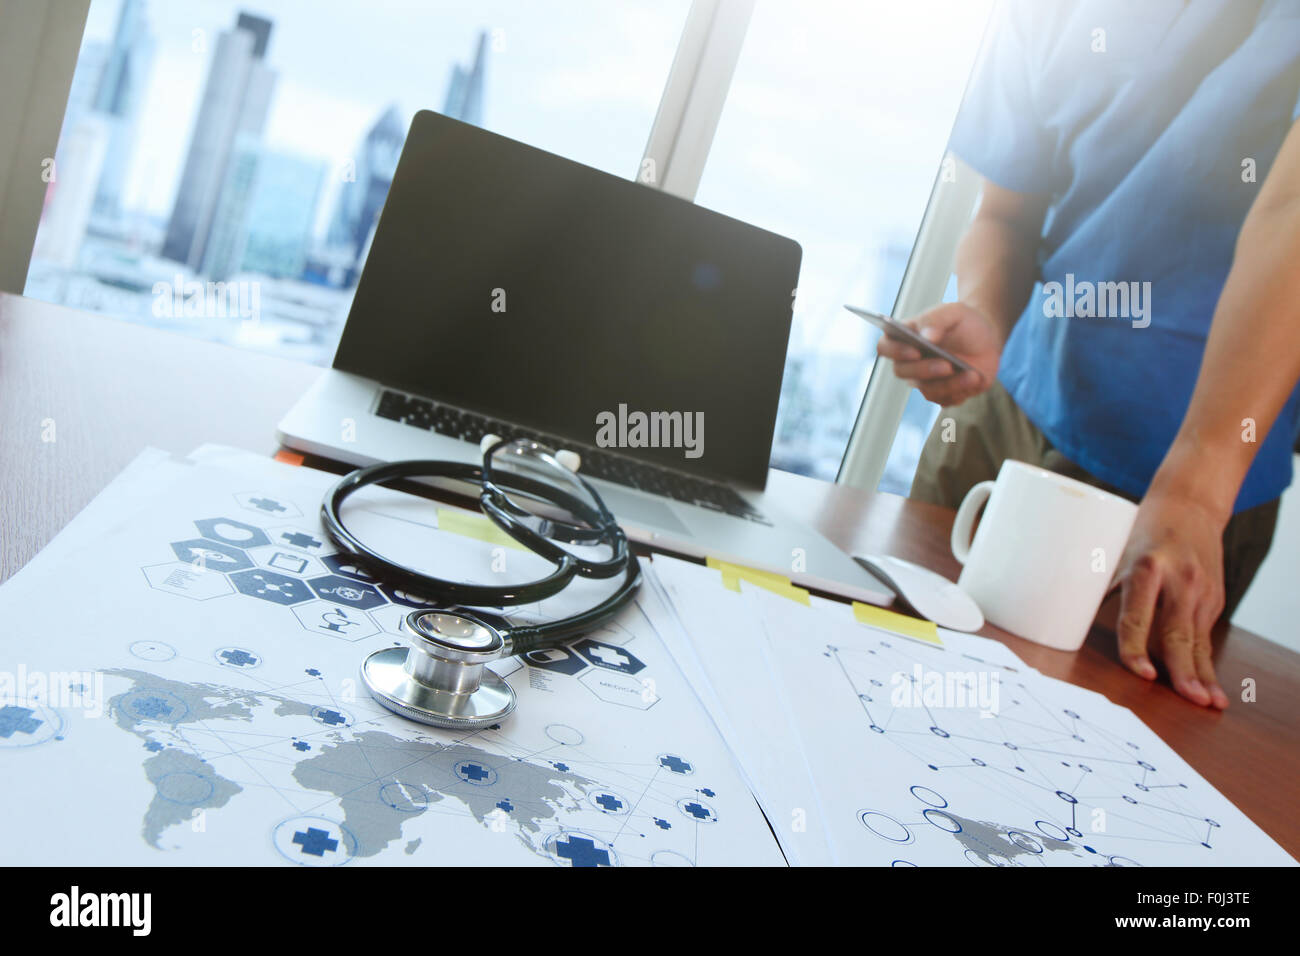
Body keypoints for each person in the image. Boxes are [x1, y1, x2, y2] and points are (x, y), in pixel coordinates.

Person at [879, 0, 1300, 709]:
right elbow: (1005, 213)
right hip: (1005, 412)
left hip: (1189, 480)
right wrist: (987, 314)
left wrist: (1196, 492)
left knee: (1076, 742)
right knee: (887, 665)